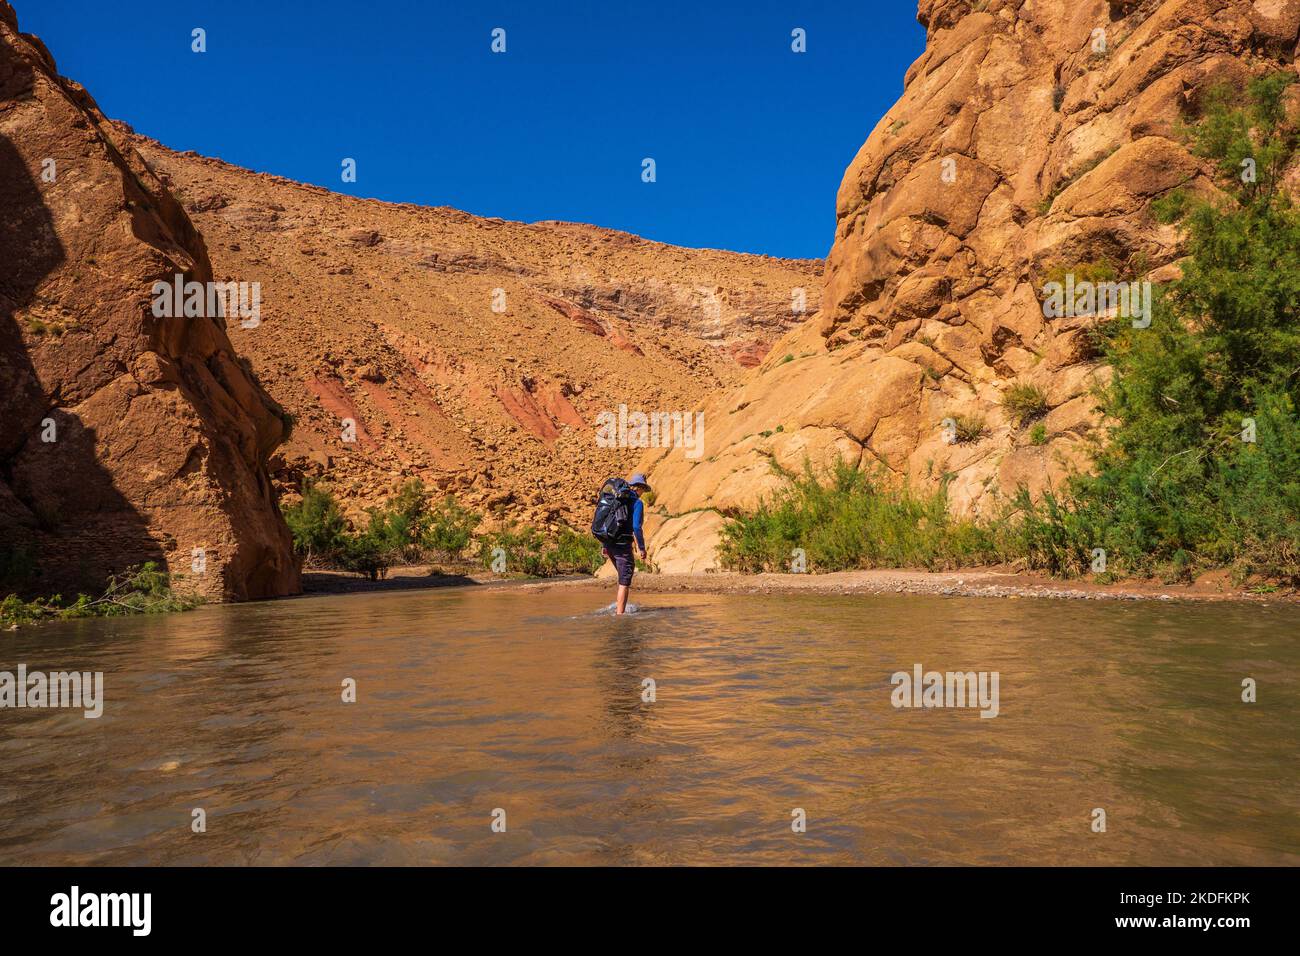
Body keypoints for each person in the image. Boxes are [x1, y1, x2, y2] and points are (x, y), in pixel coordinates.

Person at [602, 473, 650, 615]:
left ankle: (619, 607)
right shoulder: (637, 503)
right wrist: (641, 548)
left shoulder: (616, 499)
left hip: (609, 543)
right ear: (639, 488)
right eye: (643, 490)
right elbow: (636, 527)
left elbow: (607, 521)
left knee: (623, 577)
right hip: (622, 545)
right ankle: (620, 617)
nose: (643, 493)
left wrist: (604, 545)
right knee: (624, 581)